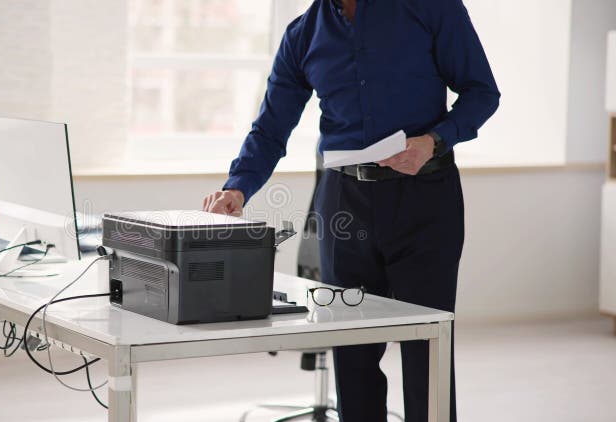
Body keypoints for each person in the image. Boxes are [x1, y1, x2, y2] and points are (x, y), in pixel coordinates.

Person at [202, 0, 499, 421]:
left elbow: (482, 91)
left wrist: (433, 140)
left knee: (426, 353)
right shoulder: (303, 34)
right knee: (353, 355)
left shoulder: (432, 7)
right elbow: (270, 128)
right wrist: (237, 188)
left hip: (426, 199)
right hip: (344, 207)